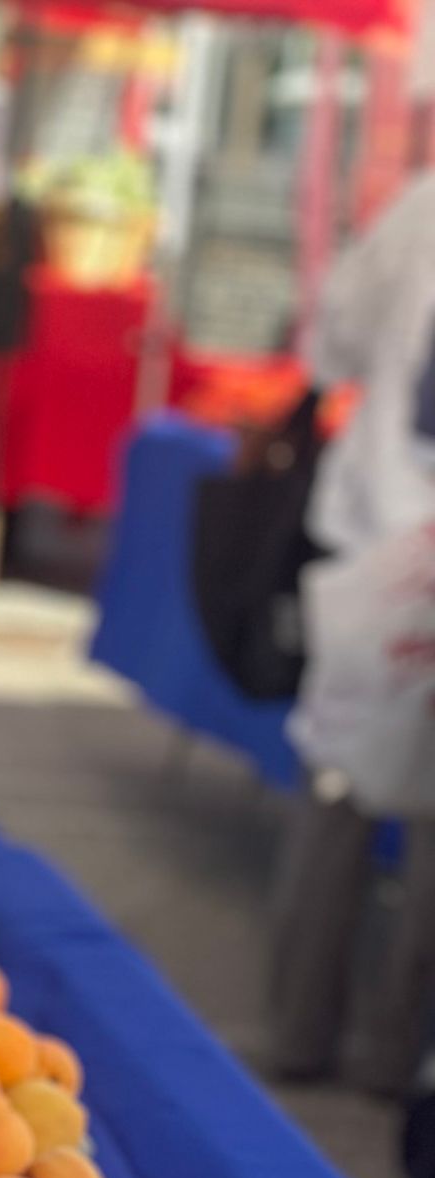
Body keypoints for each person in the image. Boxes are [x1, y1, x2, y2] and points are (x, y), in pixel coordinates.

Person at [266, 171, 435, 1097]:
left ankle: (301, 1032)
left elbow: (338, 334)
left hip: (379, 534)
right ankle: (395, 1059)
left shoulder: (422, 208)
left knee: (336, 799)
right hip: (386, 538)